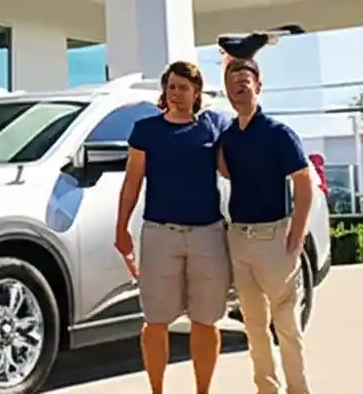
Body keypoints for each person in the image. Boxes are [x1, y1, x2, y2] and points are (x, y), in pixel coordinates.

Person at [115, 61, 231, 394]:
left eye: (183, 87)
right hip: (160, 234)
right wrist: (121, 229)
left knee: (205, 320)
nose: (176, 92)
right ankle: (156, 390)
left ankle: (203, 390)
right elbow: (132, 182)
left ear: (196, 93)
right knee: (155, 321)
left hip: (207, 235)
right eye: (171, 86)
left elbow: (233, 162)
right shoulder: (147, 130)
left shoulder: (213, 126)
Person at [219, 57, 315, 394]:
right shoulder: (228, 137)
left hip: (275, 239)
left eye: (246, 80)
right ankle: (266, 389)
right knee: (254, 326)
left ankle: (299, 389)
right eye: (233, 81)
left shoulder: (279, 135)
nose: (240, 86)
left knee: (286, 325)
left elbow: (305, 186)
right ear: (227, 91)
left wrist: (296, 238)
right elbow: (225, 172)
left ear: (259, 87)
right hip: (239, 239)